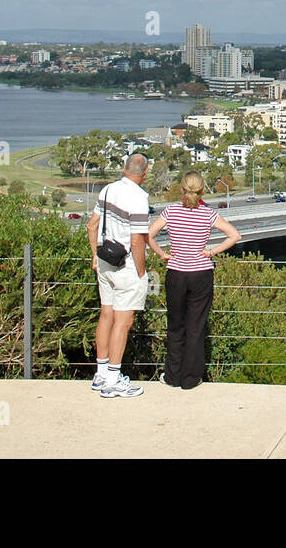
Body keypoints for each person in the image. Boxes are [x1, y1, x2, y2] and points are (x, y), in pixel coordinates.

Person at [147, 171, 242, 389]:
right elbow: (235, 235)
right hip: (201, 274)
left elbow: (148, 234)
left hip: (176, 274)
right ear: (202, 191)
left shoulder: (170, 211)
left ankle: (172, 376)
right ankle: (191, 378)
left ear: (182, 189)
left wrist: (162, 253)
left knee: (175, 326)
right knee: (196, 327)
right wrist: (211, 252)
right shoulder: (208, 214)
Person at [86, 153, 151, 398]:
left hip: (104, 260)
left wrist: (94, 254)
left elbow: (92, 225)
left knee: (106, 314)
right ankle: (113, 380)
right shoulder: (139, 198)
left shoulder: (107, 190)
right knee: (123, 322)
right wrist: (141, 271)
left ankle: (100, 373)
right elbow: (137, 240)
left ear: (124, 168)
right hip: (126, 265)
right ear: (145, 173)